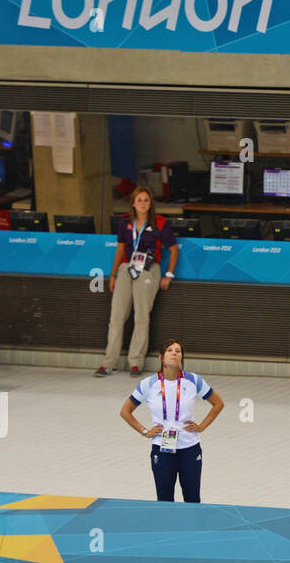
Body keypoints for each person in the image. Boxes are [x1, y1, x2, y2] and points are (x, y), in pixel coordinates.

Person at [118, 338, 224, 503]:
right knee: (164, 499)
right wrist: (145, 431)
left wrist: (201, 426)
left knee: (193, 498)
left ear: (182, 357)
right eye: (169, 350)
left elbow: (218, 403)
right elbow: (125, 411)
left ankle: (193, 528)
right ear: (161, 357)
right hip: (162, 448)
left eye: (178, 351)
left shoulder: (193, 380)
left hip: (189, 447)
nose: (174, 353)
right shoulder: (149, 384)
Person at [95, 187, 179, 377]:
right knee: (116, 316)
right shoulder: (124, 221)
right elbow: (120, 249)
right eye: (139, 200)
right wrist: (113, 274)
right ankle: (109, 362)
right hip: (126, 268)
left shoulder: (159, 223)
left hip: (149, 269)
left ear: (151, 204)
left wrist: (169, 274)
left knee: (141, 316)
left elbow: (173, 249)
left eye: (146, 200)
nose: (143, 204)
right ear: (133, 203)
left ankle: (136, 362)